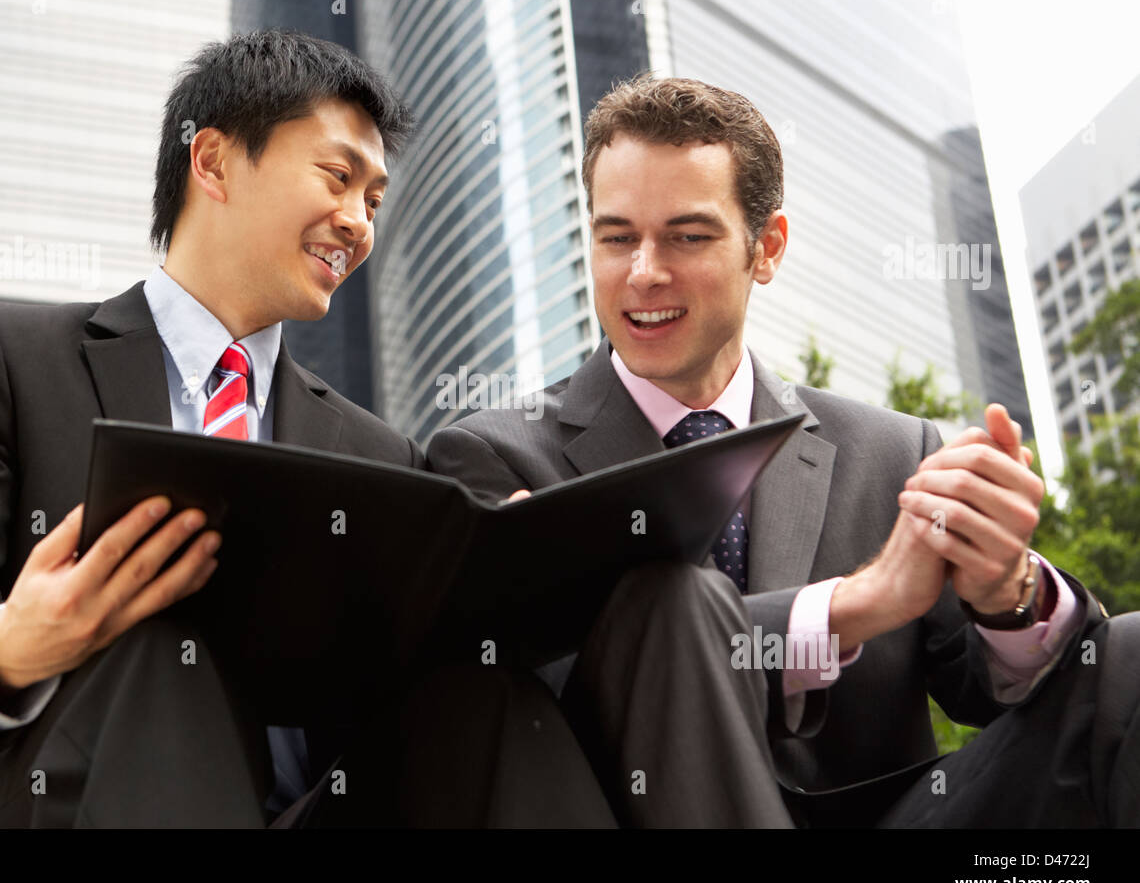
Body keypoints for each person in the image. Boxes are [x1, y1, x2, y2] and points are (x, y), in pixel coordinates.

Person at [427, 75, 1140, 827]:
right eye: (616, 237)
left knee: (1125, 654)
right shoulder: (491, 459)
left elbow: (1009, 697)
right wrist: (849, 608)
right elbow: (552, 709)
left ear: (765, 248)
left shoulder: (895, 451)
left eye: (687, 236)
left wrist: (1008, 592)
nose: (643, 272)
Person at [0, 29, 492, 828]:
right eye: (337, 176)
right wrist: (13, 643)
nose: (358, 220)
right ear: (212, 160)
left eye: (375, 200)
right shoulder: (6, 357)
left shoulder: (382, 456)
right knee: (160, 658)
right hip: (51, 805)